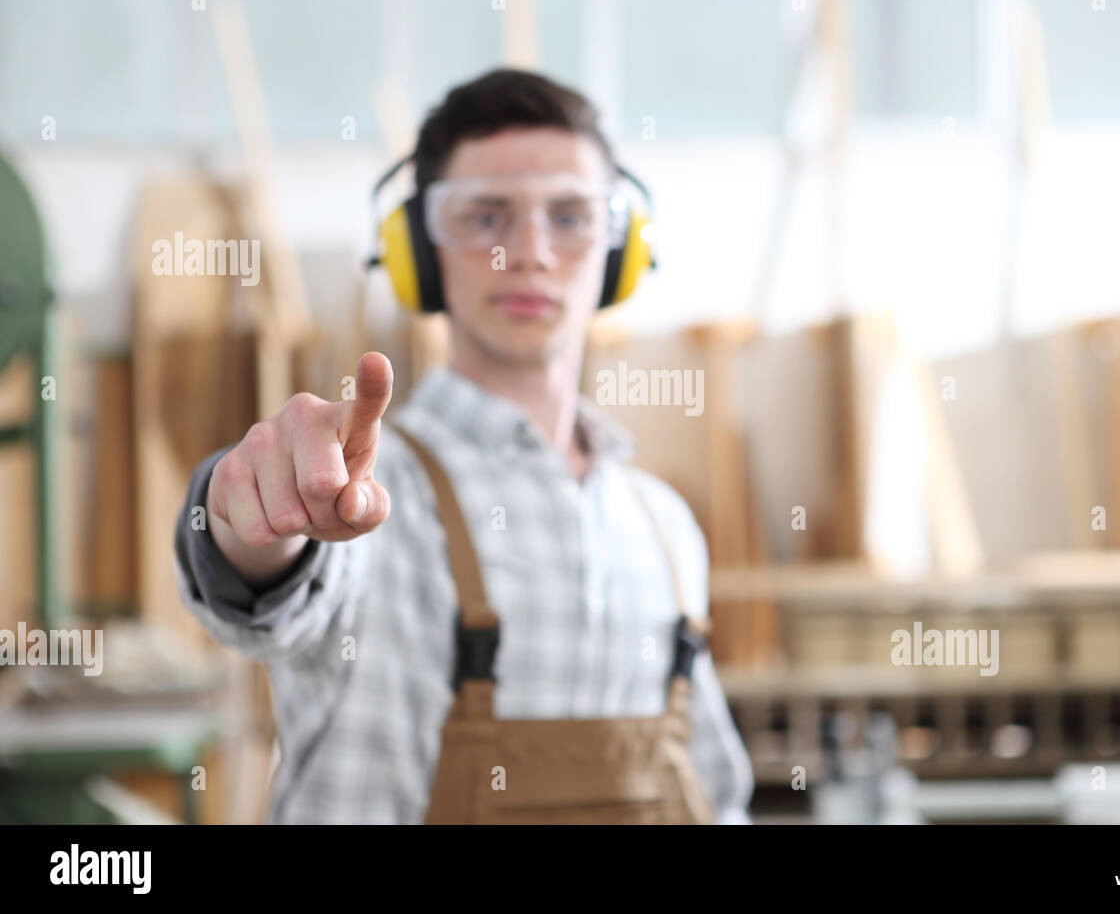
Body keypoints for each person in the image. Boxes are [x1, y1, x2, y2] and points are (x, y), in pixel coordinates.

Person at [173, 68, 755, 823]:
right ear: (420, 249)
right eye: (485, 217)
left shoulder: (665, 528)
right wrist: (243, 510)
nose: (530, 254)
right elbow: (278, 582)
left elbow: (716, 791)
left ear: (622, 252)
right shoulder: (378, 498)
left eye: (572, 216)